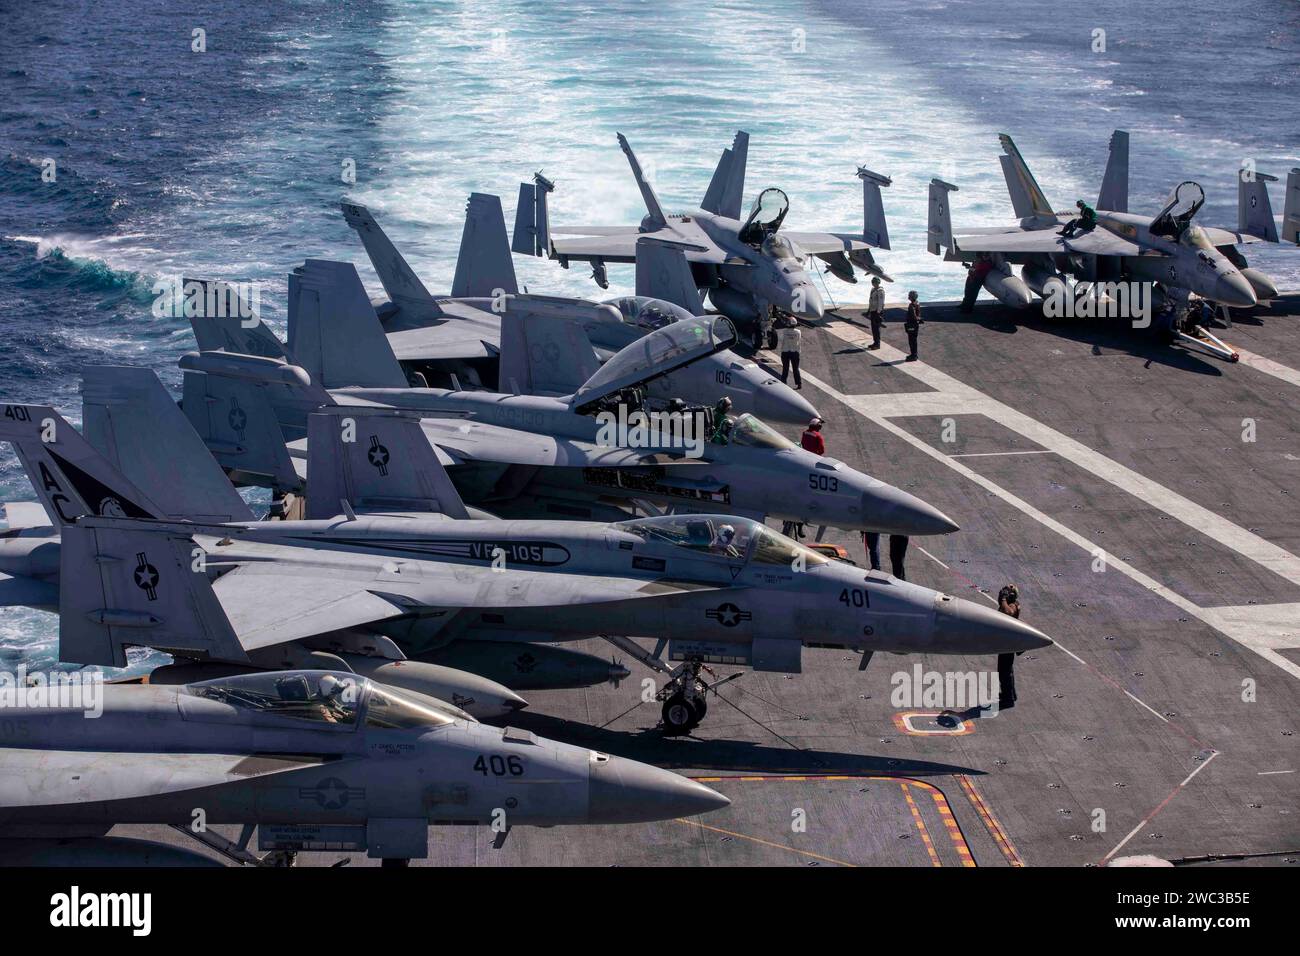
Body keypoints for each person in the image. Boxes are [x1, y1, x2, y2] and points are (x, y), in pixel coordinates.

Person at [995, 584, 1022, 710]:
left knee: (1004, 671)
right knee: (1007, 670)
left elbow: (1008, 612)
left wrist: (1003, 599)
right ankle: (1011, 694)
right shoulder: (1011, 603)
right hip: (1006, 641)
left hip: (1008, 642)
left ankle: (1008, 699)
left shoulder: (1013, 606)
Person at [777, 316, 802, 389]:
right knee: (795, 369)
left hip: (785, 352)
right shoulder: (798, 332)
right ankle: (799, 383)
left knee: (785, 368)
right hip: (795, 352)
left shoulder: (784, 331)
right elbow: (799, 340)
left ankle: (784, 382)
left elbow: (781, 340)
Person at [866, 277, 885, 349]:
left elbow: (881, 303)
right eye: (873, 282)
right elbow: (870, 301)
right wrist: (869, 310)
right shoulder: (873, 289)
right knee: (873, 328)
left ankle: (877, 344)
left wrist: (878, 313)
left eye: (875, 282)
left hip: (877, 312)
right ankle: (875, 342)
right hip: (873, 311)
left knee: (877, 329)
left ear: (878, 283)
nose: (874, 283)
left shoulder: (880, 291)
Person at [904, 291, 922, 361]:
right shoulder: (917, 303)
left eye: (909, 295)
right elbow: (917, 315)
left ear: (912, 297)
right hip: (915, 324)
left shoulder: (912, 305)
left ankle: (913, 355)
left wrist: (915, 318)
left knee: (911, 340)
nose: (908, 296)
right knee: (914, 340)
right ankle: (914, 354)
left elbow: (913, 315)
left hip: (911, 324)